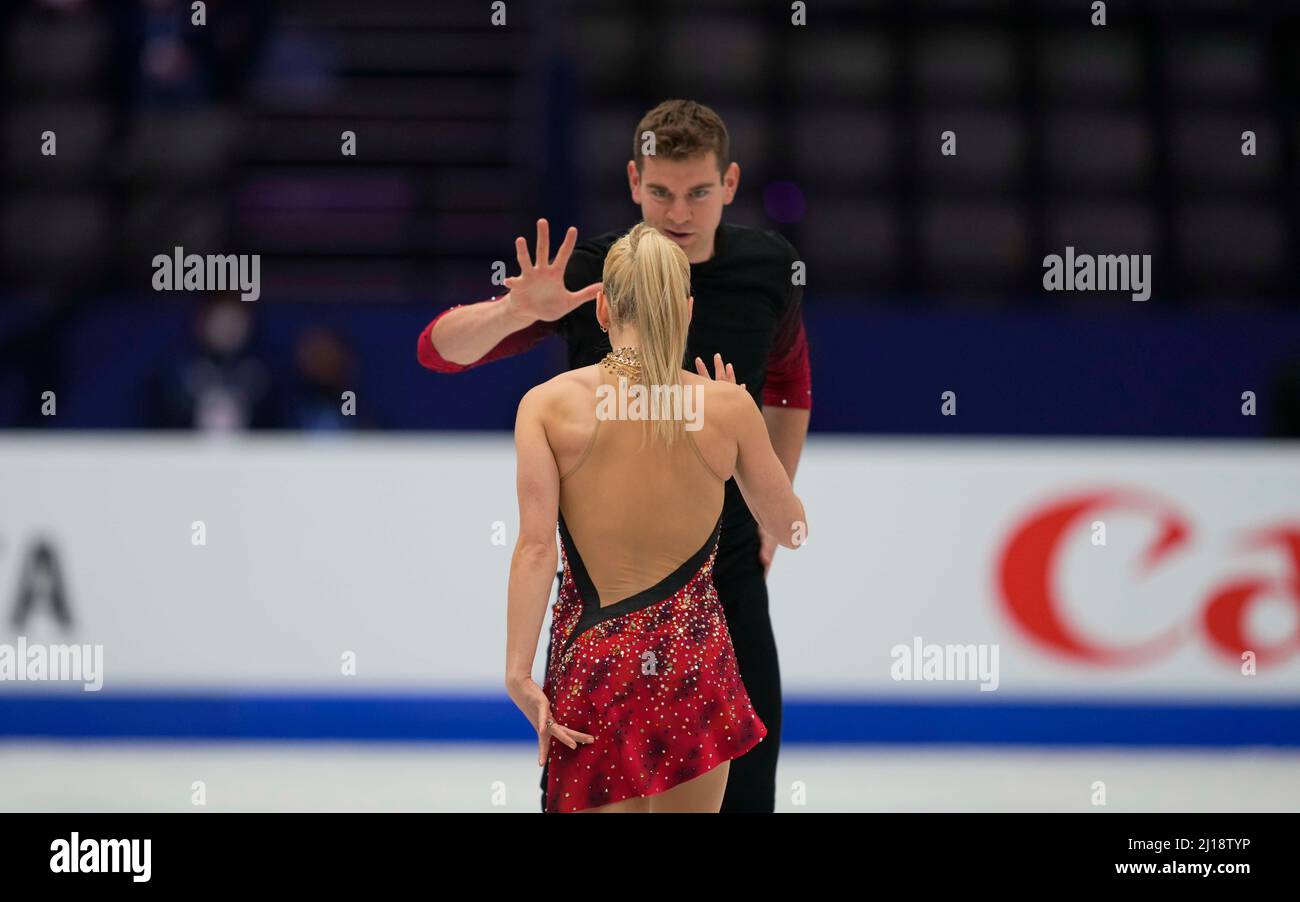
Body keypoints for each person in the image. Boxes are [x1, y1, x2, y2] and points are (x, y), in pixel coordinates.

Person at [417, 100, 811, 812]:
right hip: (659, 624)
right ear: (634, 181)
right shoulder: (592, 271)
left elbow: (791, 383)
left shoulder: (767, 270)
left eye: (696, 193)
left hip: (650, 611)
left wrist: (762, 513)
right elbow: (440, 350)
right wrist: (519, 310)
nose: (678, 213)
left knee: (748, 794)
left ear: (728, 183)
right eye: (661, 192)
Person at [504, 222, 806, 812]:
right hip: (693, 660)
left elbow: (535, 549)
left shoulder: (547, 405)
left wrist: (519, 672)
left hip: (598, 660)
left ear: (602, 310)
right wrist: (741, 437)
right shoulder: (726, 408)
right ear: (687, 309)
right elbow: (791, 529)